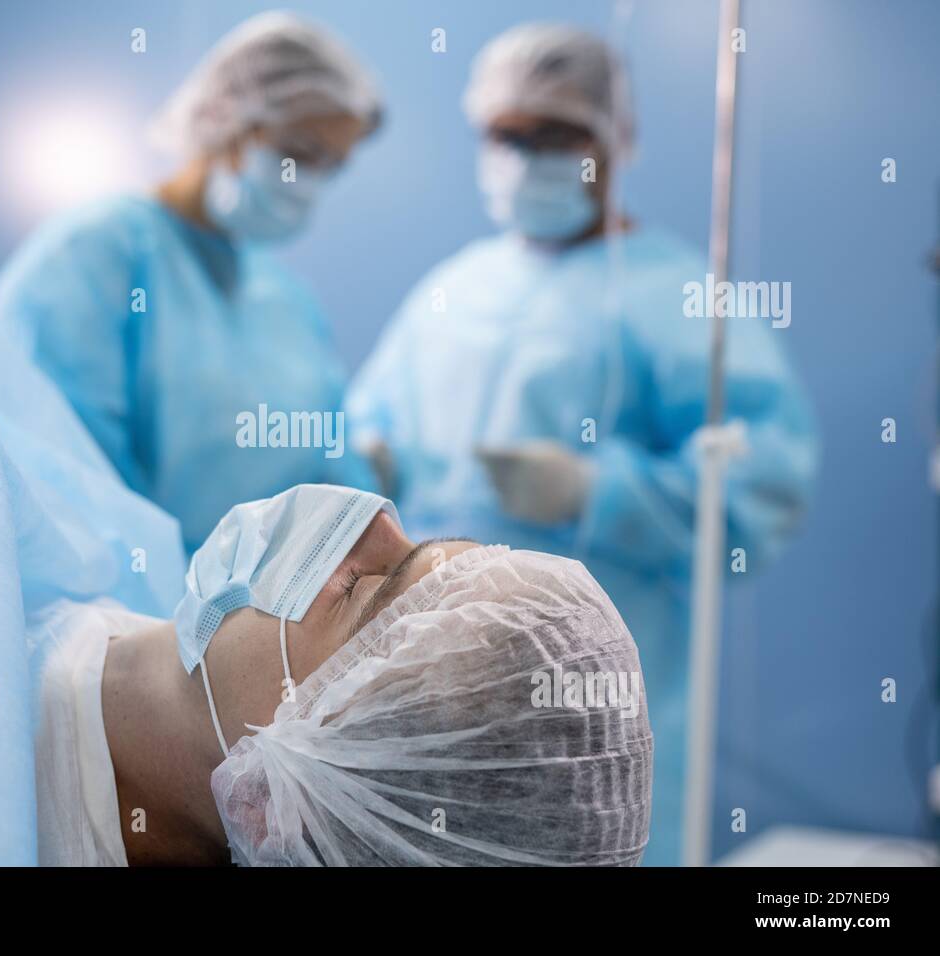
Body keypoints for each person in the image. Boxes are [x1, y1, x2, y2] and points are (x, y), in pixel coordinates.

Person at [345, 24, 817, 865]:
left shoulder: (677, 297)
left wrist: (598, 495)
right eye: (507, 136)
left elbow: (760, 491)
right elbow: (364, 434)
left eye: (556, 137)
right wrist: (368, 462)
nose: (528, 157)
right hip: (428, 698)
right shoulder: (453, 291)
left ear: (613, 142)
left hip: (594, 700)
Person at [34, 484, 653, 866]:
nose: (372, 520)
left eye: (367, 588)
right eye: (424, 542)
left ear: (270, 808)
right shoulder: (76, 532)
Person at [0, 12, 381, 552]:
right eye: (298, 153)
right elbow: (64, 472)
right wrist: (185, 606)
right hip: (130, 614)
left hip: (278, 620)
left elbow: (333, 469)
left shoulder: (287, 302)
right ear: (225, 119)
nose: (308, 182)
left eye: (332, 165)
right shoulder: (93, 256)